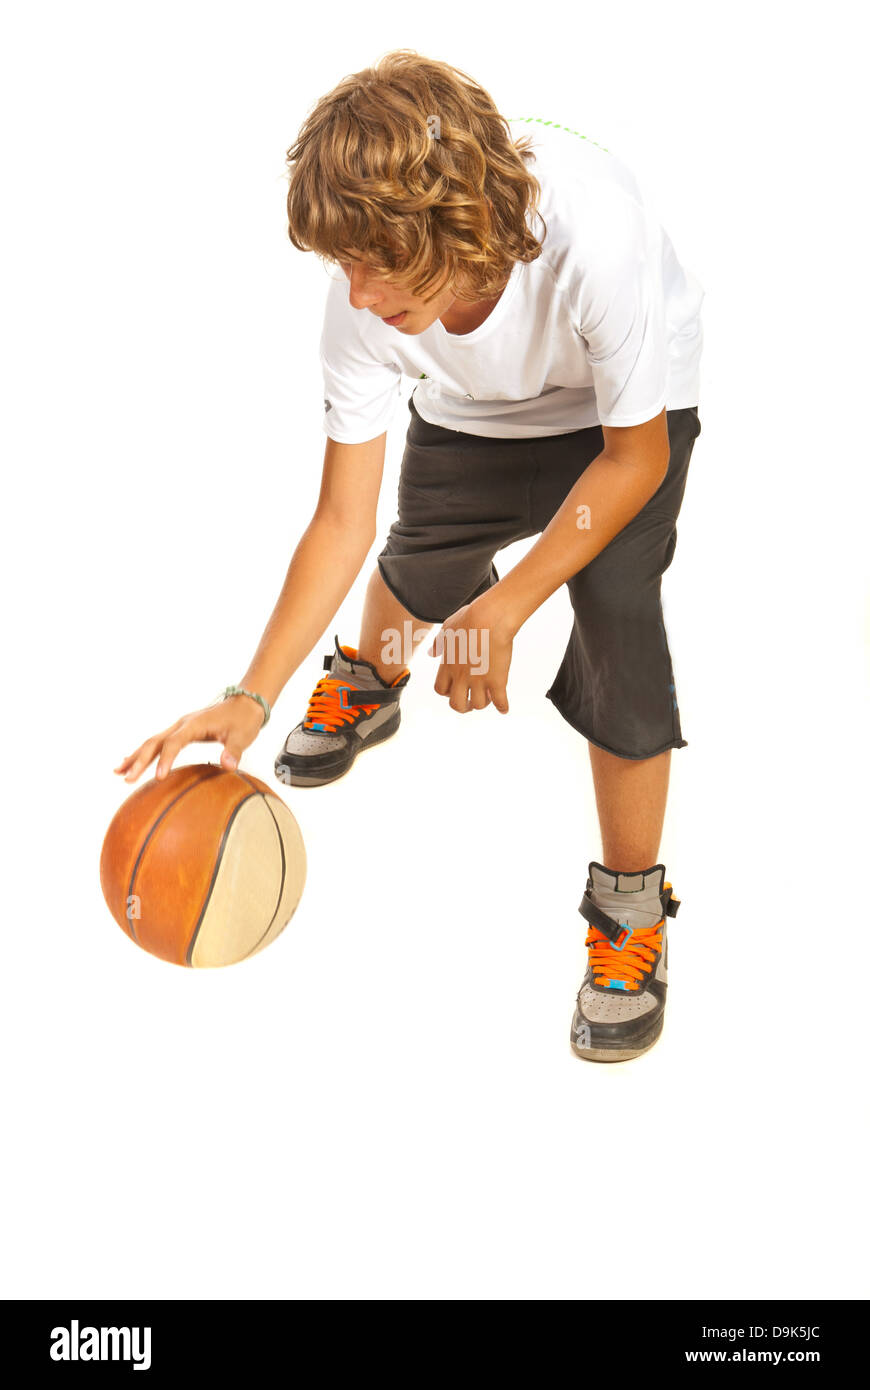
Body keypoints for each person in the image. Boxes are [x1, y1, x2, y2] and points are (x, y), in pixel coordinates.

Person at [114, 50, 704, 1063]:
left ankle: (629, 911)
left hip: (619, 417)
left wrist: (511, 603)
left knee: (616, 604)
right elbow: (341, 519)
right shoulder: (366, 305)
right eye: (341, 263)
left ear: (454, 225)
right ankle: (371, 680)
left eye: (373, 259)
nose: (354, 288)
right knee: (420, 556)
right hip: (475, 410)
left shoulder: (593, 231)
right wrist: (250, 696)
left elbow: (636, 455)